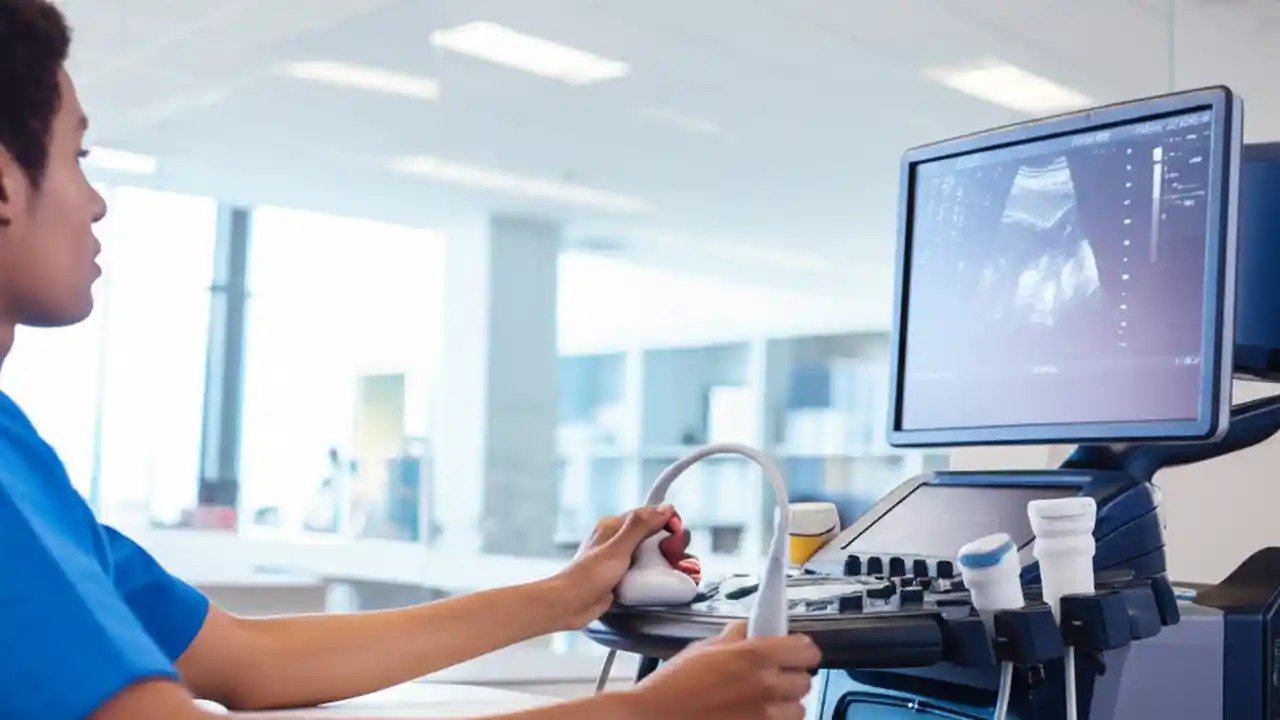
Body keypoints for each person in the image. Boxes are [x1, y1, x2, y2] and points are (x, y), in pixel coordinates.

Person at [0, 1, 821, 718]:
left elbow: (252, 662)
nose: (95, 201)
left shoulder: (22, 465)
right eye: (78, 157)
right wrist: (648, 715)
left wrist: (563, 598)